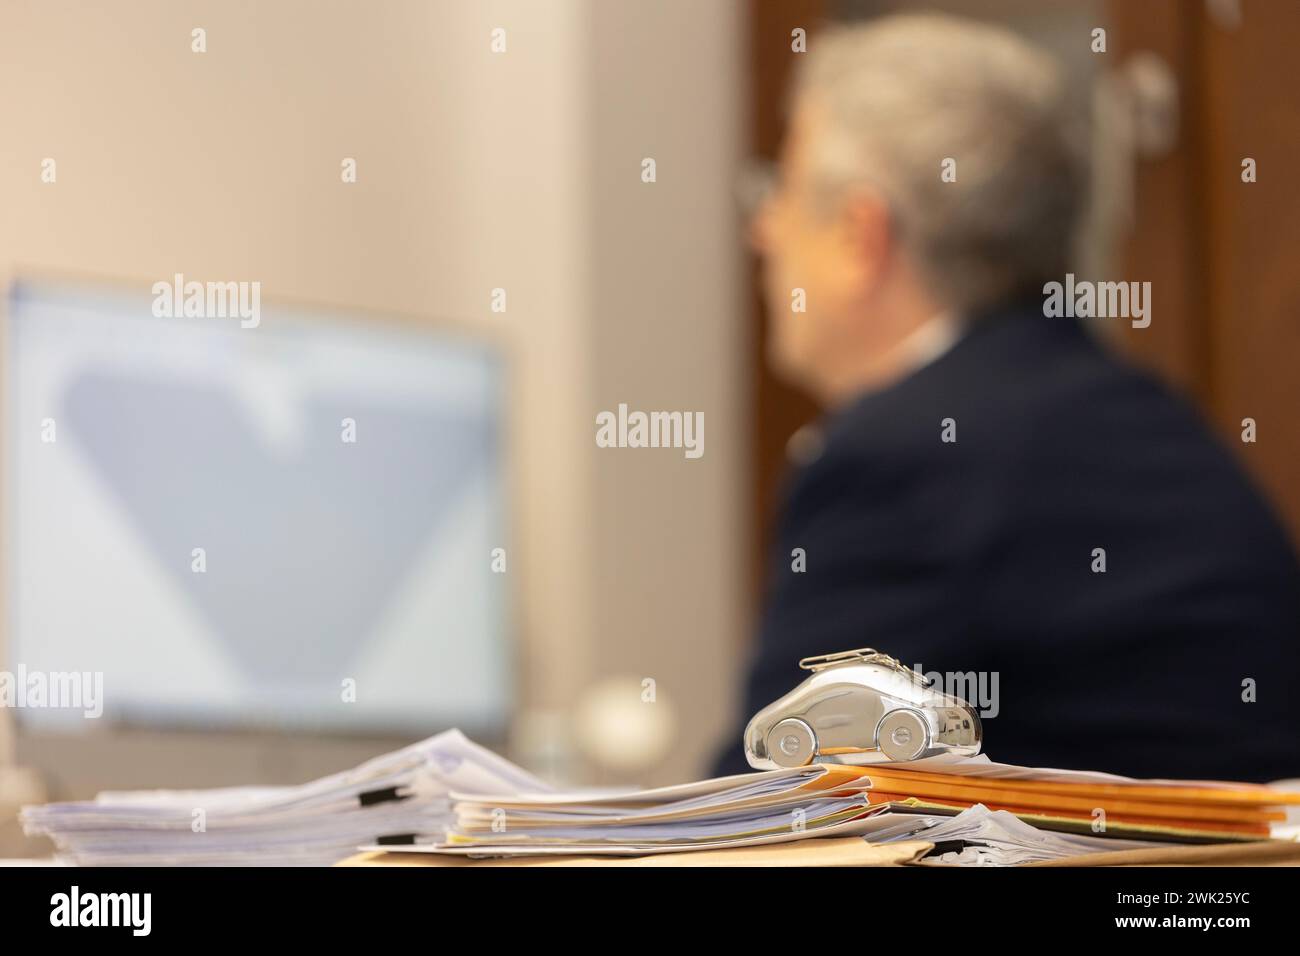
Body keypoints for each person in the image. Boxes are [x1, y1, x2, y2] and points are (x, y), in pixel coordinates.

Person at [711, 14, 1300, 781]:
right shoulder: (1149, 417)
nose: (763, 229)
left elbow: (758, 816)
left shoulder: (899, 461)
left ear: (861, 236)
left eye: (779, 189)